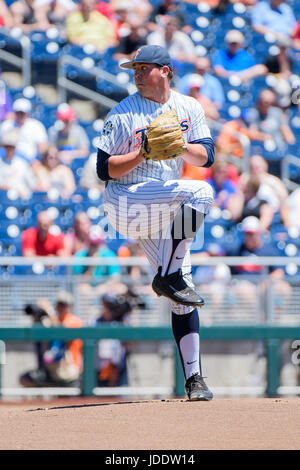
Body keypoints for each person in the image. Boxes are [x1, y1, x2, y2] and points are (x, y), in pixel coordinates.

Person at [96, 44, 215, 401]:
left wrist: (179, 145)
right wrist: (142, 151)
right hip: (126, 201)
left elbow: (207, 155)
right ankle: (168, 276)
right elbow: (103, 169)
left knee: (184, 298)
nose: (136, 74)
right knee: (202, 194)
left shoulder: (189, 107)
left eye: (143, 68)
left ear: (165, 70)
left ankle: (194, 380)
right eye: (133, 69)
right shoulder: (123, 113)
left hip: (161, 206)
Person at [20, 291, 83, 387]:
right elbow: (37, 331)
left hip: (69, 371)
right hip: (52, 369)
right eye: (58, 304)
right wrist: (38, 315)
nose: (60, 308)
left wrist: (49, 310)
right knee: (25, 379)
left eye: (63, 305)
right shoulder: (51, 319)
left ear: (69, 306)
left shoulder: (73, 320)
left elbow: (60, 330)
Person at [0, 98, 48, 163]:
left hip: (30, 162)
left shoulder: (36, 126)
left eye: (22, 113)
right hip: (8, 160)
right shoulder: (6, 125)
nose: (20, 115)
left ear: (28, 113)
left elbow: (43, 147)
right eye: (18, 112)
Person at [0, 129, 36, 199]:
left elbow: (32, 183)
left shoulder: (22, 163)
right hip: (4, 199)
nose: (9, 149)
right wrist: (13, 189)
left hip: (22, 199)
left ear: (15, 148)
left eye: (11, 147)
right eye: (7, 147)